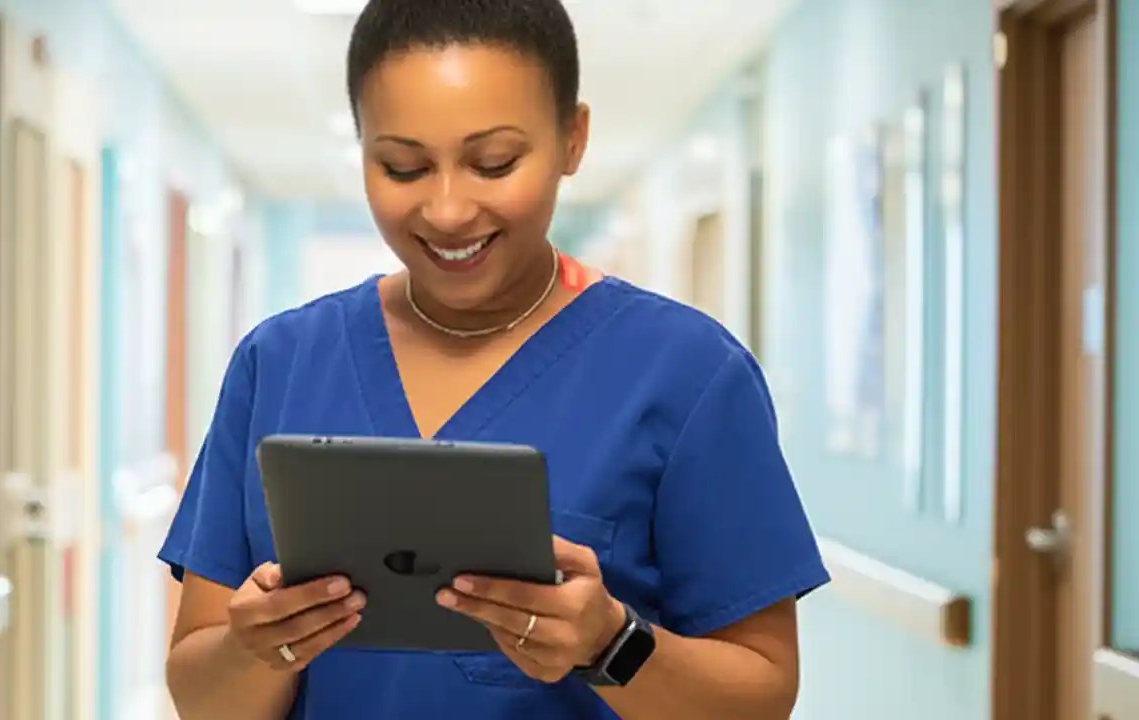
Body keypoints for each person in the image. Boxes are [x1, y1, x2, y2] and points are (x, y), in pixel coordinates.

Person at [159, 0, 830, 717]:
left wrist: (609, 642)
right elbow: (202, 695)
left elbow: (762, 696)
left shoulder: (688, 374)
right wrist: (259, 646)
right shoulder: (280, 363)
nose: (447, 210)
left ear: (573, 139)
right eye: (403, 166)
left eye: (494, 163)